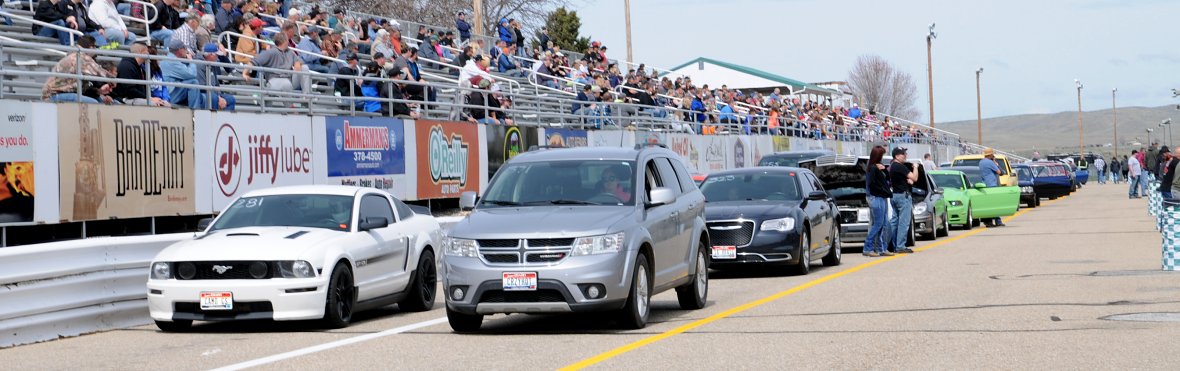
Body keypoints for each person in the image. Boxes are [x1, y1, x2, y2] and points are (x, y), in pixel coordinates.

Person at [42, 36, 111, 103]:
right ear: (90, 46)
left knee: (99, 101)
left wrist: (99, 91)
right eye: (94, 46)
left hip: (60, 93)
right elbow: (100, 72)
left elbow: (83, 87)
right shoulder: (79, 56)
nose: (95, 50)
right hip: (54, 95)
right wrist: (112, 81)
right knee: (93, 103)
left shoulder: (74, 55)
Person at [864, 145, 893, 257]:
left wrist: (884, 169)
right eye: (881, 155)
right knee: (878, 223)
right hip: (875, 197)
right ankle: (868, 248)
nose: (882, 158)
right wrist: (882, 191)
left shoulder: (878, 167)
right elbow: (872, 185)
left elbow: (887, 179)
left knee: (884, 223)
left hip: (881, 197)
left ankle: (882, 248)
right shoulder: (872, 168)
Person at [888, 147, 917, 253]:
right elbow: (914, 178)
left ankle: (891, 244)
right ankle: (900, 246)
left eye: (905, 153)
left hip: (895, 195)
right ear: (896, 156)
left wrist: (907, 181)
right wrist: (916, 167)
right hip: (902, 196)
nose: (905, 155)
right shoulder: (900, 167)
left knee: (894, 222)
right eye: (903, 154)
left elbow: (909, 181)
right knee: (903, 222)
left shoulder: (892, 166)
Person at [977, 148, 1006, 227]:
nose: (993, 155)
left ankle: (988, 221)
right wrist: (995, 163)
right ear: (990, 155)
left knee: (988, 204)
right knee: (995, 204)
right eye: (992, 154)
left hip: (985, 185)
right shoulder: (990, 162)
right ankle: (998, 221)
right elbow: (1000, 172)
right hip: (992, 185)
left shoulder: (981, 162)